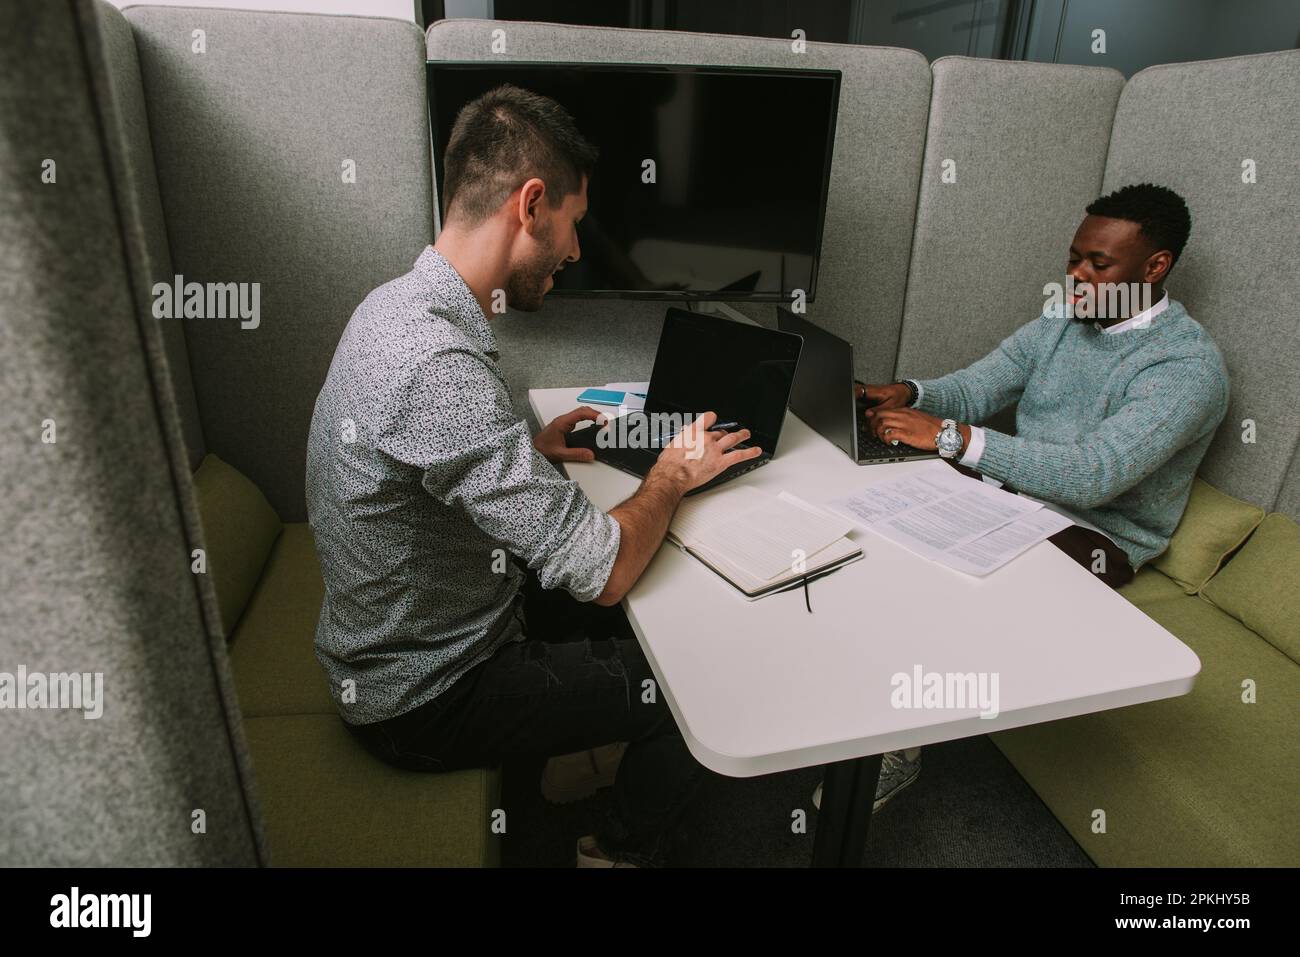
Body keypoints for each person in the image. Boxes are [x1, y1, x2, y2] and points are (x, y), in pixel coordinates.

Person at [304, 84, 762, 867]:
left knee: (659, 616)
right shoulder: (435, 363)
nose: (575, 253)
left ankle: (571, 753)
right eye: (574, 225)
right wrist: (672, 474)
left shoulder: (399, 306)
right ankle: (617, 851)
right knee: (698, 681)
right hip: (424, 695)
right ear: (532, 204)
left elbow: (427, 463)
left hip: (421, 624)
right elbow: (607, 569)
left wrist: (530, 448)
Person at [847, 183, 1229, 808]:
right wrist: (909, 394)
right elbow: (979, 386)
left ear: (1155, 266)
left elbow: (1093, 476)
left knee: (940, 584)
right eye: (1074, 257)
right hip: (1011, 495)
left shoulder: (1185, 368)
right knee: (878, 521)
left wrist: (949, 436)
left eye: (1097, 264)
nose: (1075, 276)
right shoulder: (1064, 318)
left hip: (1100, 535)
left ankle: (898, 746)